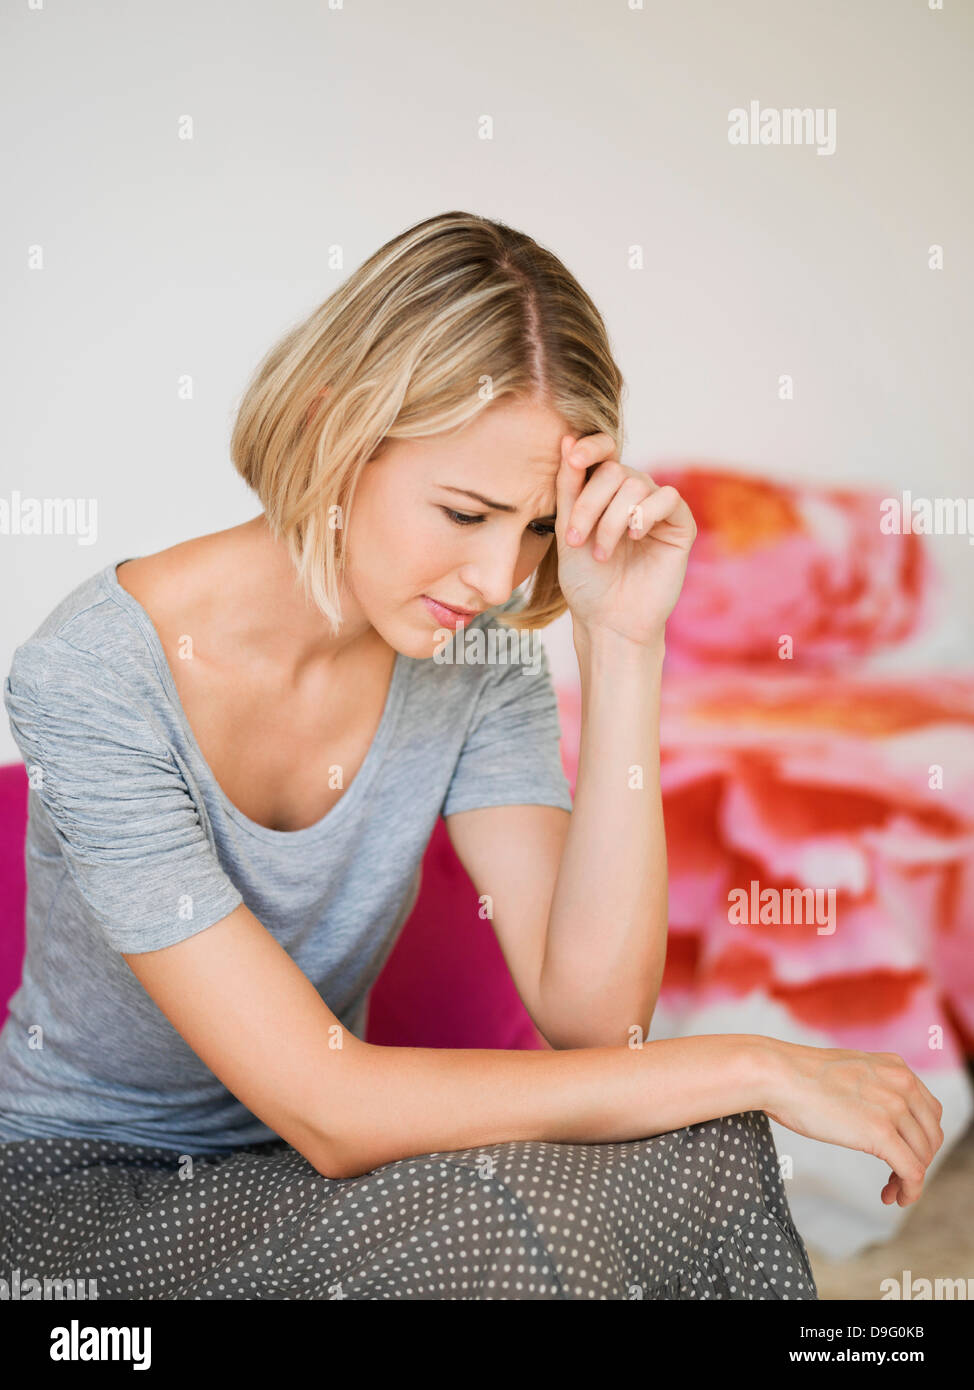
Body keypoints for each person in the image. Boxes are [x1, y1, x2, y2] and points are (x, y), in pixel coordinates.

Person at [0, 211, 942, 1301]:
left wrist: (624, 644)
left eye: (537, 528)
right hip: (89, 1193)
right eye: (464, 510)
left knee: (699, 1148)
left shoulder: (475, 658)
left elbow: (596, 1024)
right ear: (332, 433)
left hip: (308, 1184)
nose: (498, 576)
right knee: (539, 1198)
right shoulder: (90, 675)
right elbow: (331, 1107)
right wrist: (752, 1060)